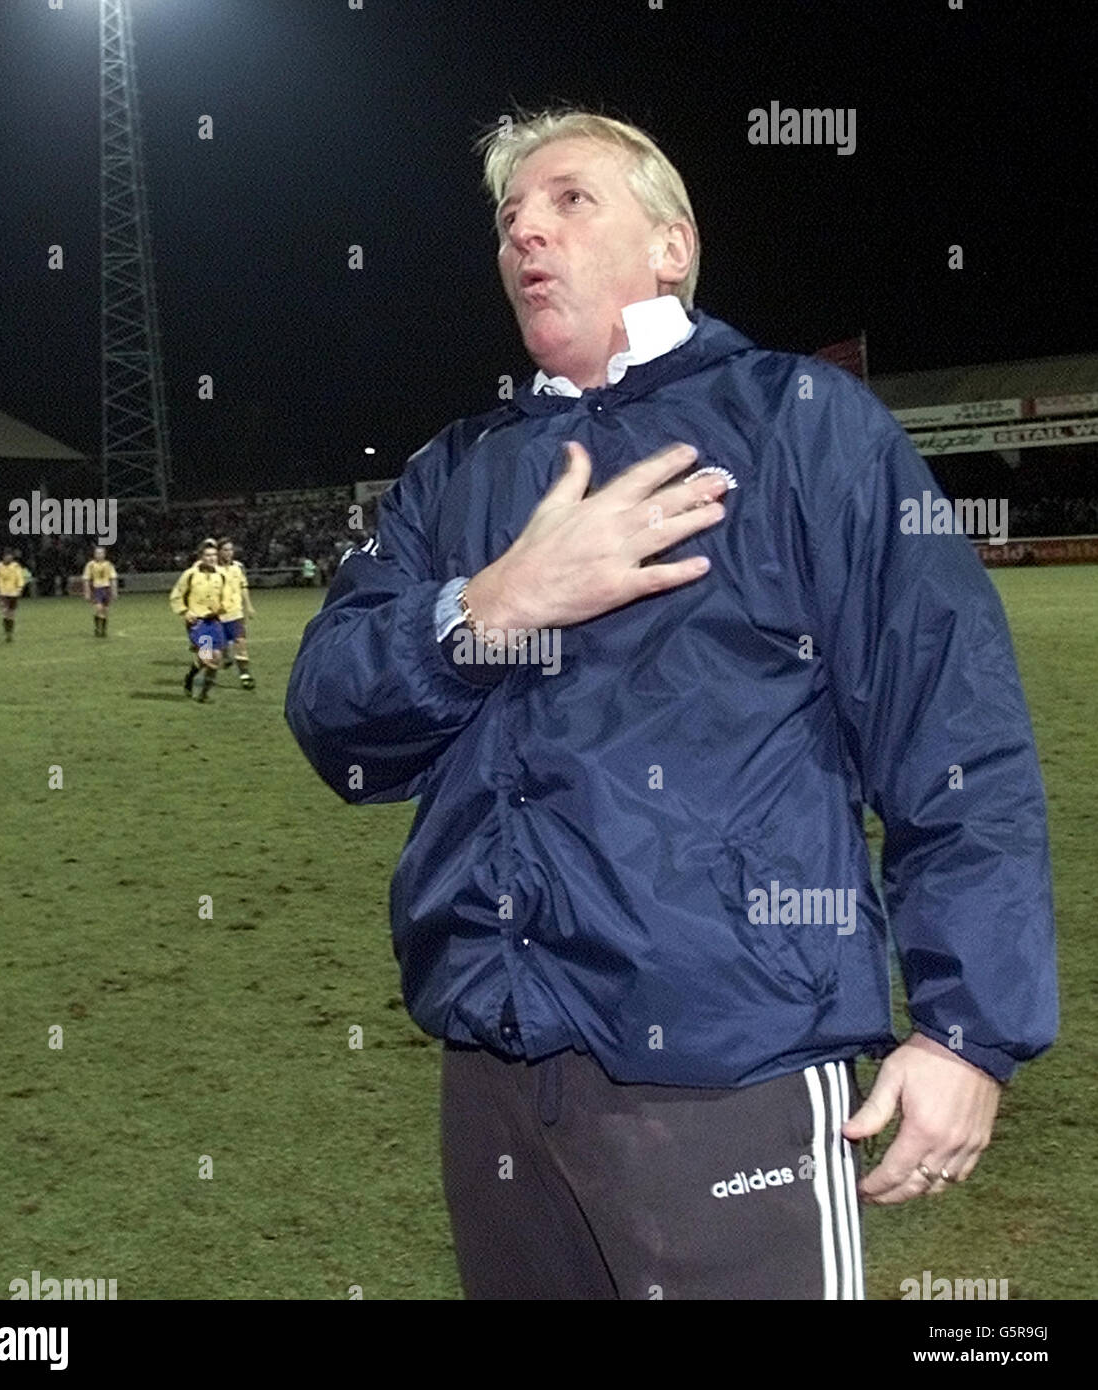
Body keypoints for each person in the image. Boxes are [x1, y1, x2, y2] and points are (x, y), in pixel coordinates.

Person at [284, 109, 1056, 1300]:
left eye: (569, 200)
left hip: (725, 1063)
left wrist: (967, 1028)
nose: (526, 231)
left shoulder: (804, 426)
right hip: (490, 1068)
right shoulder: (455, 471)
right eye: (507, 219)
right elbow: (333, 723)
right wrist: (490, 608)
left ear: (670, 246)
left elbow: (951, 738)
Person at [169, 540, 225, 701]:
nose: (212, 558)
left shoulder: (221, 575)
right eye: (208, 555)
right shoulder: (191, 574)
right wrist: (185, 611)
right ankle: (196, 685)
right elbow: (177, 594)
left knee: (214, 658)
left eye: (214, 555)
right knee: (209, 659)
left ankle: (201, 691)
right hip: (198, 623)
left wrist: (223, 608)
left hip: (214, 622)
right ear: (201, 557)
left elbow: (227, 597)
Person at [217, 538, 256, 689]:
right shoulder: (212, 568)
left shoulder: (238, 567)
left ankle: (245, 676)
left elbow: (243, 586)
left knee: (240, 643)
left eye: (230, 550)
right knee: (212, 653)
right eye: (225, 550)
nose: (228, 553)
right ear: (219, 551)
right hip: (217, 615)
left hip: (235, 614)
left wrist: (249, 606)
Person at [81, 545, 117, 638]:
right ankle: (97, 628)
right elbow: (86, 579)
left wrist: (114, 591)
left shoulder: (108, 564)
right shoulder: (90, 565)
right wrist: (87, 592)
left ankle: (103, 630)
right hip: (96, 589)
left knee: (105, 611)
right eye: (97, 553)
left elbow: (113, 578)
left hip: (106, 588)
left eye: (101, 553)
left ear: (104, 554)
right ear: (94, 554)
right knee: (98, 608)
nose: (99, 555)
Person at [0, 548, 25, 642]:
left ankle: (10, 633)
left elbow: (20, 577)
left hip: (13, 593)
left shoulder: (16, 566)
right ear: (3, 557)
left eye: (10, 556)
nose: (9, 557)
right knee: (5, 613)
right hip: (3, 593)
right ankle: (7, 633)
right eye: (7, 556)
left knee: (12, 614)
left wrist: (20, 588)